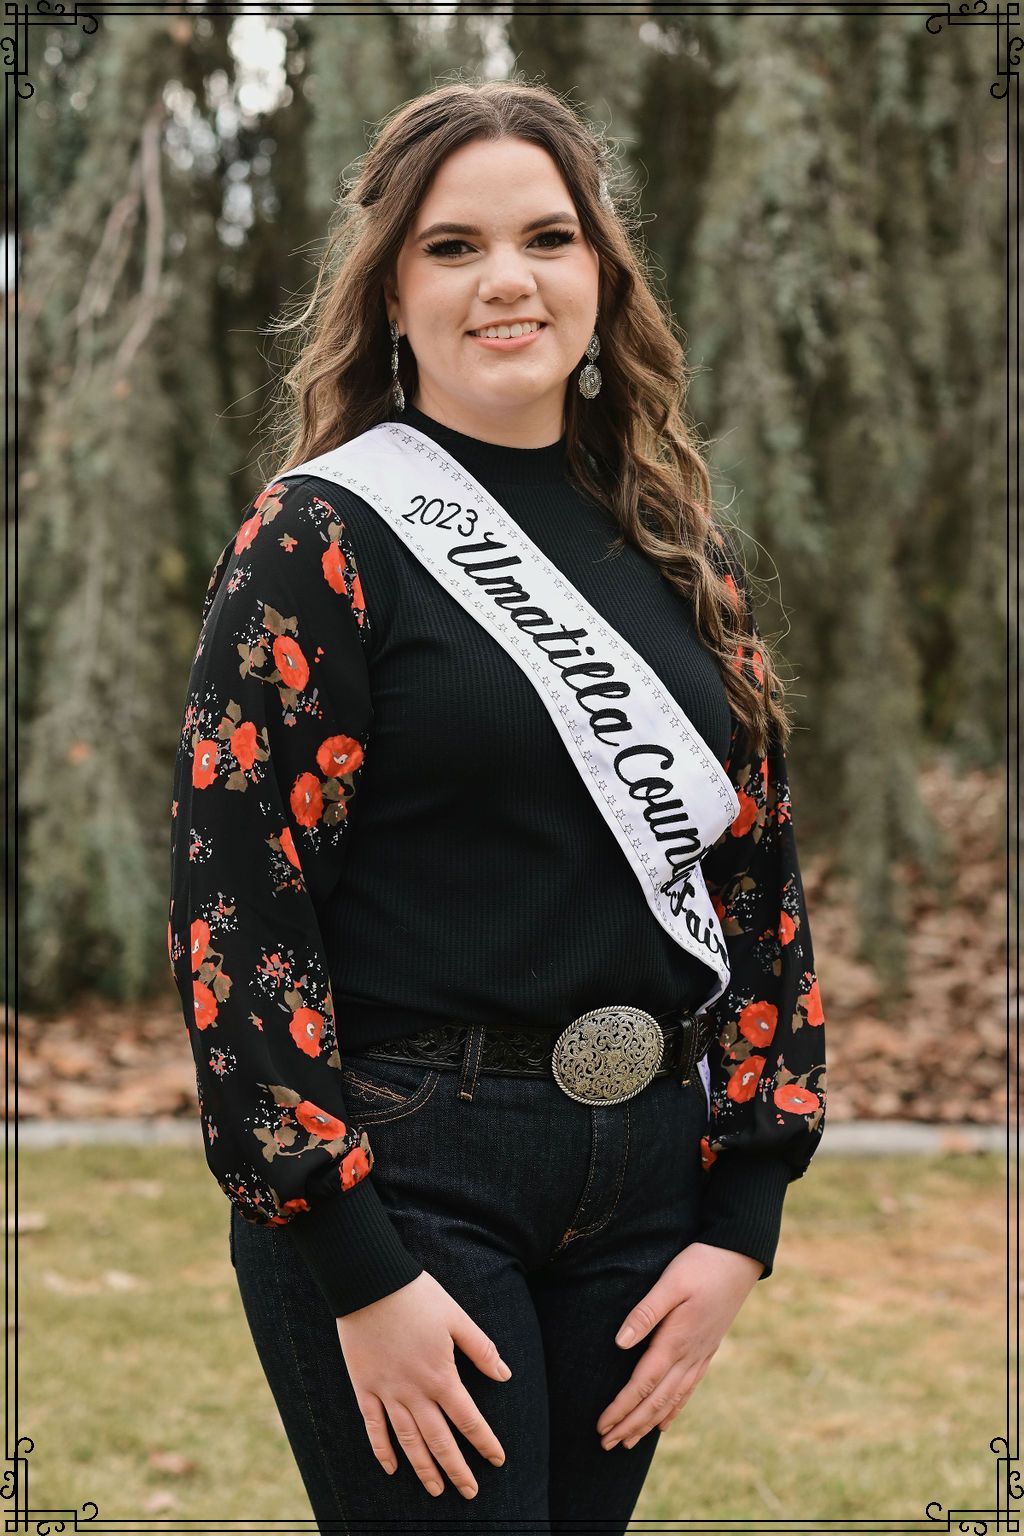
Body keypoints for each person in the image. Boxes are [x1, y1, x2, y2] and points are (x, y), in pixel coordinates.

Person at [168, 77, 827, 1534]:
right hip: (408, 1173)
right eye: (453, 246)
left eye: (548, 238)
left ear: (602, 276)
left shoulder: (675, 548)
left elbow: (757, 883)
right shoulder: (320, 536)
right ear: (392, 294)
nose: (507, 280)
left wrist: (741, 1221)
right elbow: (238, 908)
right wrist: (357, 1262)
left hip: (644, 1183)